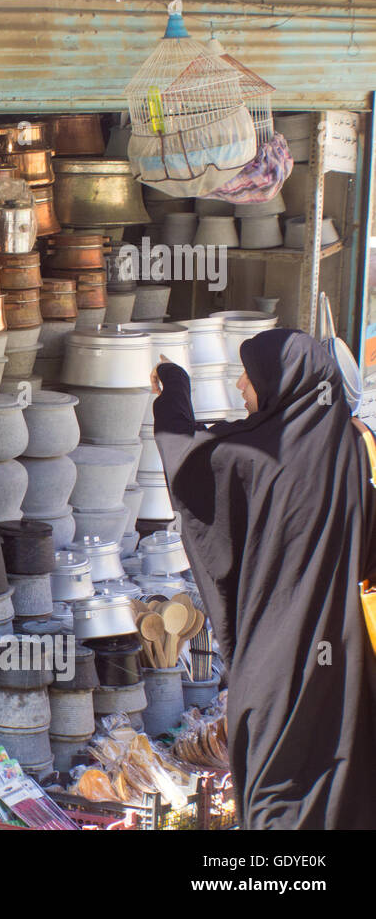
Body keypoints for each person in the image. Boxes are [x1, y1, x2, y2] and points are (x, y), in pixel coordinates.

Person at [151, 327, 376, 828]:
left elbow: (187, 457)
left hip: (275, 662)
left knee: (277, 784)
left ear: (278, 384)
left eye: (248, 378)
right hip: (342, 661)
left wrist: (173, 389)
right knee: (338, 777)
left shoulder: (252, 456)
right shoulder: (353, 453)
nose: (239, 387)